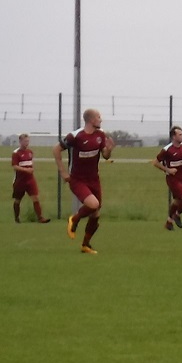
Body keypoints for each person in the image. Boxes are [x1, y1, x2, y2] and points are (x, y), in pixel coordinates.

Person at [53, 108, 113, 254]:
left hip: (94, 178)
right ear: (91, 120)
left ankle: (85, 245)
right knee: (93, 204)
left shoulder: (100, 135)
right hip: (77, 179)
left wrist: (109, 150)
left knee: (95, 214)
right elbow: (56, 149)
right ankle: (74, 219)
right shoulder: (75, 136)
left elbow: (104, 155)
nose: (101, 119)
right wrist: (63, 172)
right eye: (99, 117)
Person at [153, 126, 182, 230]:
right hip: (172, 179)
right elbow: (155, 162)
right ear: (173, 136)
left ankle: (169, 222)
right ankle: (177, 215)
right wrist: (168, 170)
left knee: (177, 201)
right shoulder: (167, 150)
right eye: (180, 134)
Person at [10, 133, 50, 223]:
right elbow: (15, 166)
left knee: (35, 197)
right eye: (25, 141)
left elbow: (31, 163)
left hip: (30, 180)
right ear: (20, 142)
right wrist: (25, 170)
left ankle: (40, 218)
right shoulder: (16, 153)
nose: (26, 143)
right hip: (20, 181)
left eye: (28, 141)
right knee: (17, 200)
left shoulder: (30, 152)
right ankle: (16, 218)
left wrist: (31, 169)